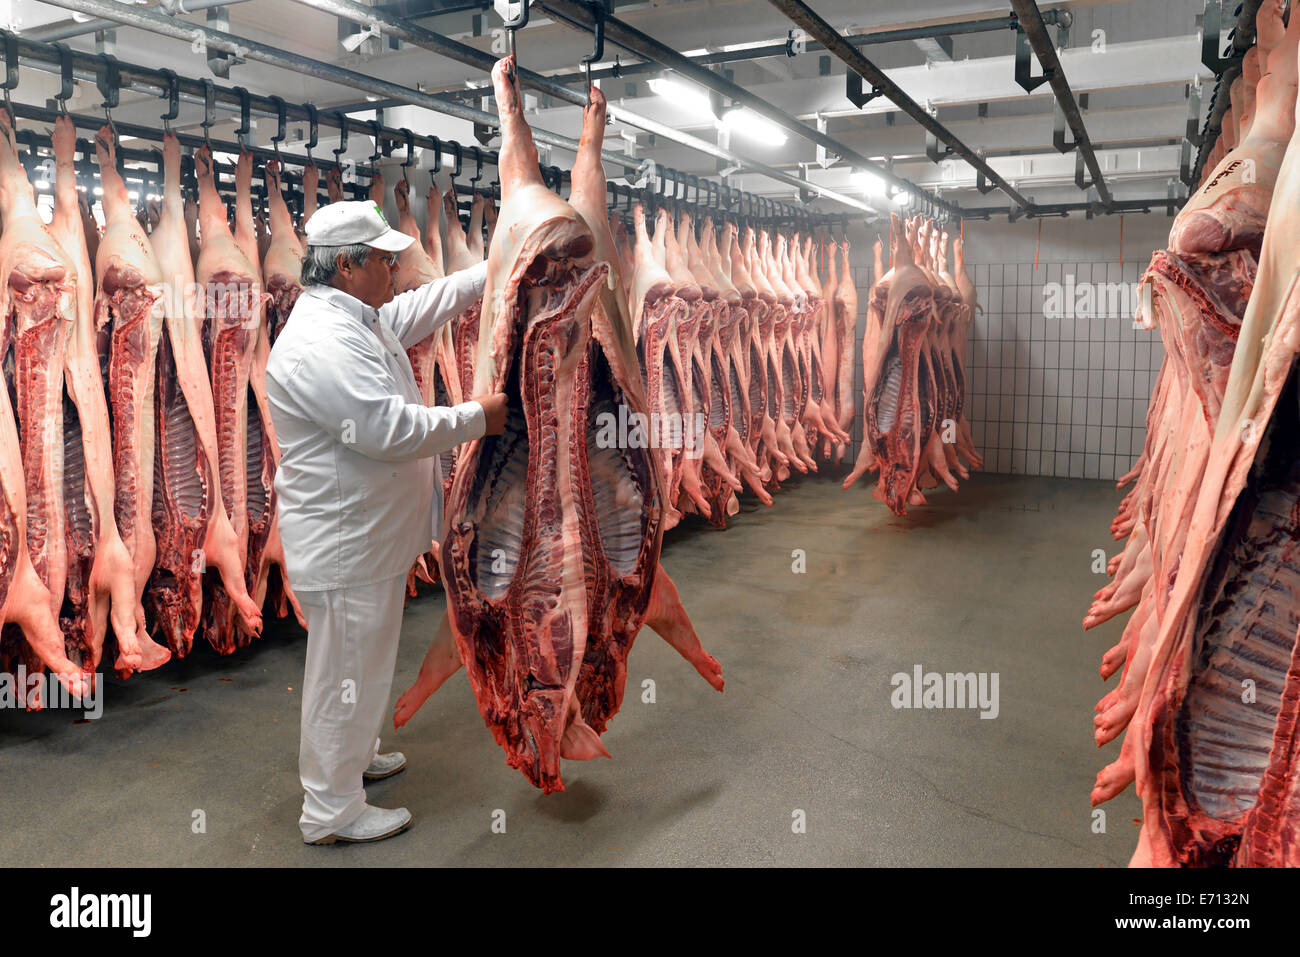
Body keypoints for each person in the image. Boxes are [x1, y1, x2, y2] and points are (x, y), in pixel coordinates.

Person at [266, 199, 507, 845]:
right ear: (347, 266)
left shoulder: (351, 318)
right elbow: (385, 430)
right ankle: (330, 809)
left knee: (362, 662)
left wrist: (494, 269)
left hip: (370, 537)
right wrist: (479, 416)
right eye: (383, 258)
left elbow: (415, 310)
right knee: (343, 670)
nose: (395, 268)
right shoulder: (321, 341)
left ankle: (355, 754)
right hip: (347, 541)